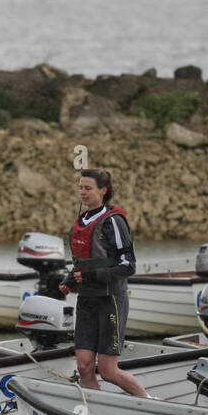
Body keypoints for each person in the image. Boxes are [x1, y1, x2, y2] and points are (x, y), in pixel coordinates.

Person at [57, 170, 148, 398]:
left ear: (103, 191)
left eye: (88, 188)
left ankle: (148, 401)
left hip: (110, 302)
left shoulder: (114, 221)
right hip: (87, 301)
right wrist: (68, 281)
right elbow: (82, 263)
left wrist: (90, 276)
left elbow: (128, 266)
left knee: (108, 371)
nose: (82, 193)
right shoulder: (80, 221)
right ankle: (96, 411)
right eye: (80, 188)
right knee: (84, 366)